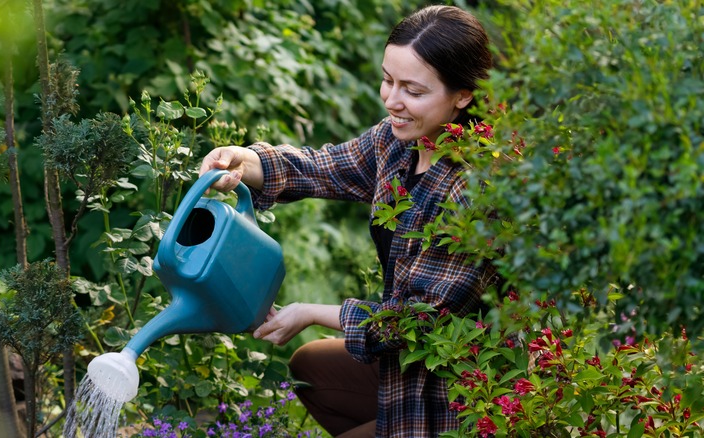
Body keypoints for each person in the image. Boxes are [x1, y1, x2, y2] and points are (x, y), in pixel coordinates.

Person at [198, 5, 497, 437]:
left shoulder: (477, 186)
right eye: (388, 80)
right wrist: (247, 160)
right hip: (411, 368)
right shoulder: (398, 144)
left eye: (412, 90)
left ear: (463, 95)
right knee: (311, 366)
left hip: (460, 389)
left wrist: (311, 312)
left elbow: (416, 321)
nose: (392, 100)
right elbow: (322, 167)